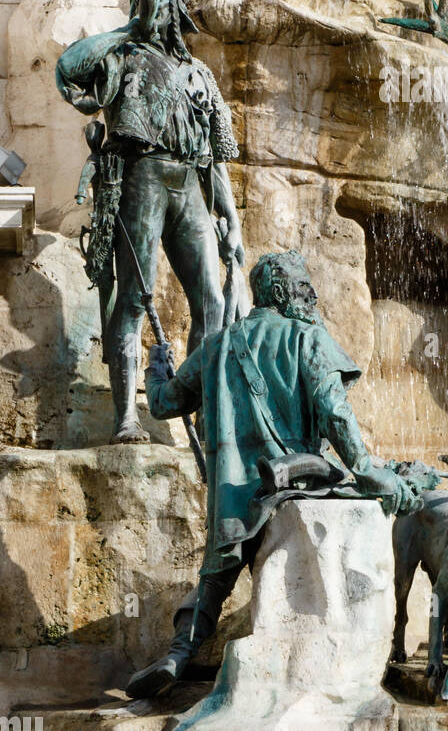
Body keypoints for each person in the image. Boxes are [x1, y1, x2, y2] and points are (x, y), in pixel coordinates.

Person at [126, 249, 417, 700]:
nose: (311, 294)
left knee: (215, 575)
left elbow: (163, 403)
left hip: (233, 496)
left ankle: (180, 651)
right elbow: (335, 411)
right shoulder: (308, 337)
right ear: (281, 291)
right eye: (303, 286)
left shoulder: (218, 344)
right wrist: (365, 468)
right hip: (295, 482)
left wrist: (157, 366)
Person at [56, 0, 243, 443]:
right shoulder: (122, 56)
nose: (152, 9)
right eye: (145, 3)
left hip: (190, 185)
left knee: (210, 300)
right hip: (140, 176)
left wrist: (233, 224)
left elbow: (217, 158)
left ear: (176, 11)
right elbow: (67, 67)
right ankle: (126, 417)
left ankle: (202, 411)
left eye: (158, 3)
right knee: (135, 298)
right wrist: (125, 32)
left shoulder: (199, 75)